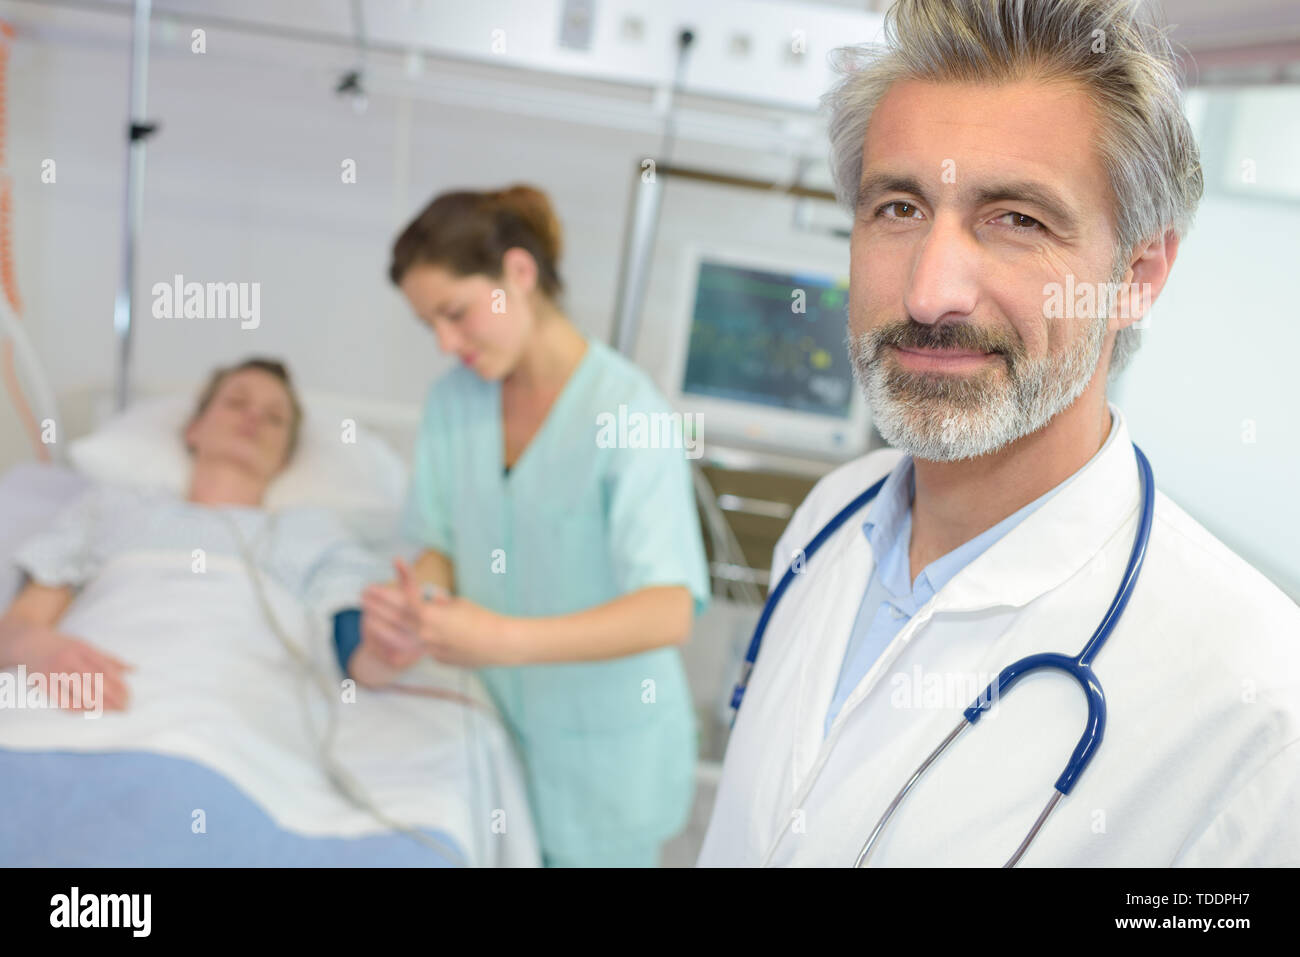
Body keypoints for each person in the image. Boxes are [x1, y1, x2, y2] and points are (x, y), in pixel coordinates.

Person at [699, 0, 1300, 867]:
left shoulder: (1258, 711)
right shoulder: (831, 517)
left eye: (1016, 218)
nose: (929, 291)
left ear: (1136, 276)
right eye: (898, 207)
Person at [348, 184, 710, 868]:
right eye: (431, 326)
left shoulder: (628, 412)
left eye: (454, 314)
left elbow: (667, 610)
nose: (446, 343)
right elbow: (439, 544)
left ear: (519, 273)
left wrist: (502, 639)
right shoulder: (454, 401)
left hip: (605, 763)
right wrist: (415, 605)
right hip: (490, 740)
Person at [0, 358, 377, 710]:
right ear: (194, 428)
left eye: (275, 418)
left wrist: (392, 647)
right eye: (236, 402)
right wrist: (37, 647)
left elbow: (364, 658)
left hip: (225, 717)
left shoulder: (313, 533)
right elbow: (19, 627)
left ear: (286, 457)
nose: (253, 418)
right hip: (77, 699)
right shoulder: (114, 507)